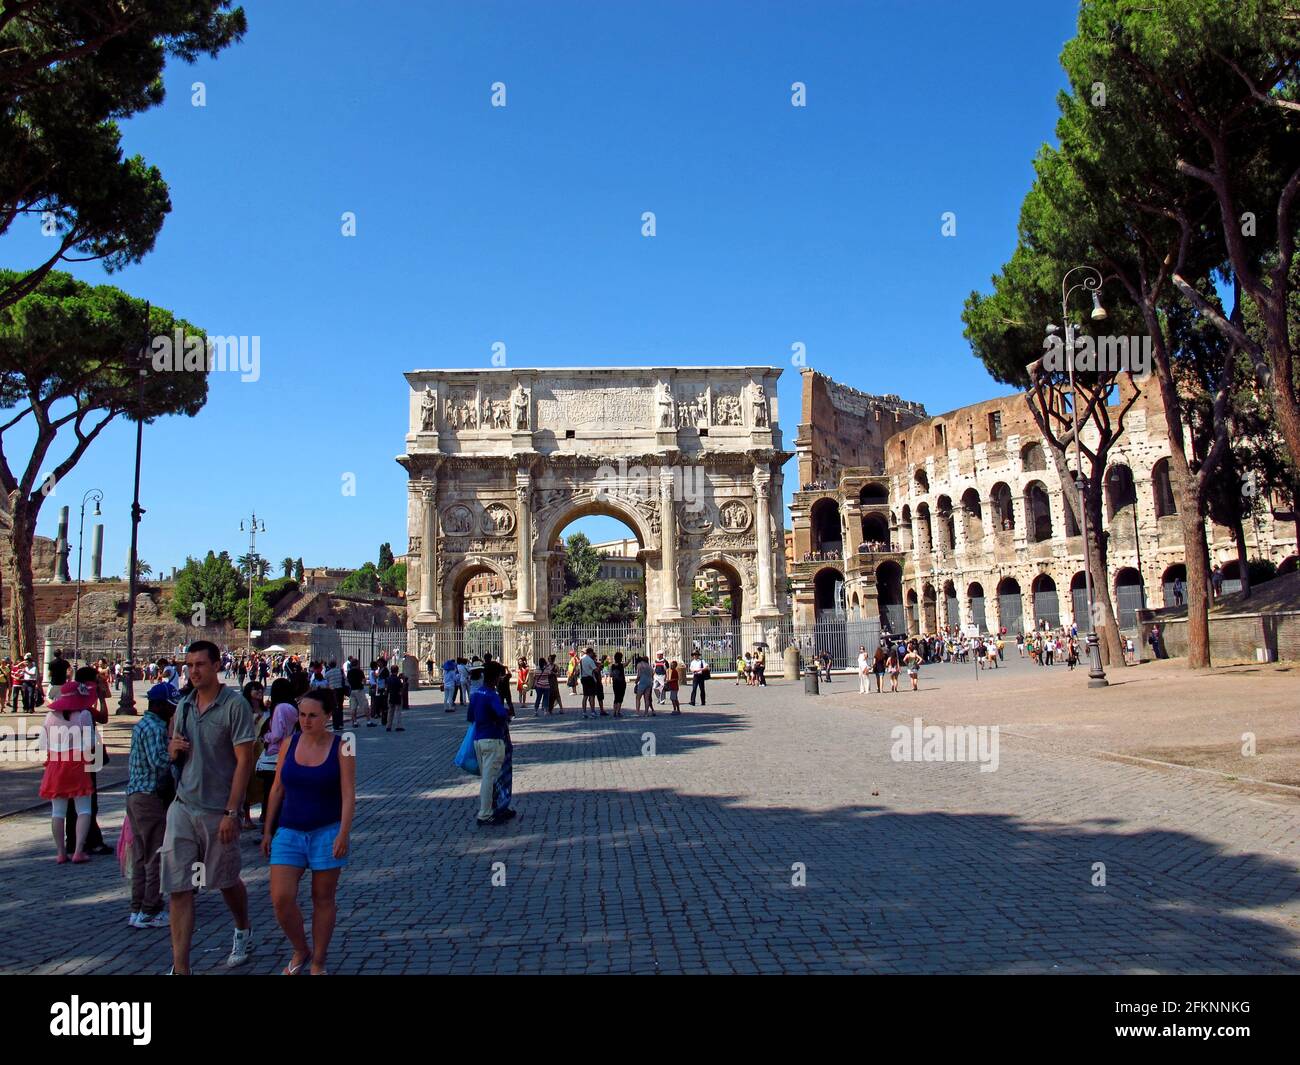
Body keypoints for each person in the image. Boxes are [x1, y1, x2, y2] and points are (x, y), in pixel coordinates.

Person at [161, 640, 256, 975]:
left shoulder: (235, 706)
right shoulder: (184, 706)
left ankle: (242, 926)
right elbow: (177, 754)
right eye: (189, 665)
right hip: (183, 806)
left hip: (219, 808)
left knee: (225, 880)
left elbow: (245, 761)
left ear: (217, 666)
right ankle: (181, 967)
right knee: (179, 885)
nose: (193, 671)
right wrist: (173, 748)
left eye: (200, 664)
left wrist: (233, 812)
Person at [263, 690, 356, 976]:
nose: (306, 720)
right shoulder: (289, 743)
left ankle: (318, 960)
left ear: (328, 716)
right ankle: (300, 947)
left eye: (313, 715)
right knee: (281, 897)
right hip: (289, 830)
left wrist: (343, 833)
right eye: (302, 714)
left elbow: (348, 793)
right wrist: (268, 830)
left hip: (326, 832)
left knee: (322, 898)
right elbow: (277, 788)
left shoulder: (344, 746)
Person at [126, 682, 179, 928]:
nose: (172, 711)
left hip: (134, 795)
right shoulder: (155, 727)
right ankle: (150, 908)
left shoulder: (142, 725)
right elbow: (159, 762)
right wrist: (175, 750)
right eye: (170, 707)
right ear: (158, 705)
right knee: (155, 854)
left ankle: (137, 907)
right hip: (149, 796)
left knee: (139, 854)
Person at [39, 680, 98, 863]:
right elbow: (91, 743)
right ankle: (79, 850)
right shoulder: (83, 715)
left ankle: (60, 852)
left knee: (58, 811)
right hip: (78, 762)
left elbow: (43, 744)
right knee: (84, 809)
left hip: (56, 762)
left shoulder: (50, 717)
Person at [468, 666, 510, 827]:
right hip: (492, 739)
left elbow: (471, 716)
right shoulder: (492, 695)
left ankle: (492, 808)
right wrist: (506, 714)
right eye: (499, 677)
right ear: (495, 679)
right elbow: (501, 714)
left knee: (488, 777)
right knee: (489, 778)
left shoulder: (476, 694)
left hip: (478, 740)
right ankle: (485, 814)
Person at [256, 679, 298, 834]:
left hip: (275, 754)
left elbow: (277, 734)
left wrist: (265, 737)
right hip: (289, 752)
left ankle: (270, 828)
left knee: (271, 793)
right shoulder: (293, 707)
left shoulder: (280, 708)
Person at [578, 647, 600, 718]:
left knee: (585, 696)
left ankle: (584, 712)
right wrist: (599, 667)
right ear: (590, 653)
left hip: (583, 678)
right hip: (590, 678)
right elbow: (596, 670)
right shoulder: (590, 660)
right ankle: (593, 712)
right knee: (591, 696)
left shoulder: (582, 659)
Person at [346, 659, 368, 726]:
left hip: (352, 690)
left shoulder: (349, 672)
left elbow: (347, 681)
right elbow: (364, 680)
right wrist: (363, 684)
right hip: (359, 689)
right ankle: (368, 721)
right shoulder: (360, 671)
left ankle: (354, 722)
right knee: (365, 705)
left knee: (353, 707)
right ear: (357, 664)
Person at [610, 652, 627, 717]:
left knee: (616, 697)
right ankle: (618, 711)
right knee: (620, 697)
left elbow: (611, 674)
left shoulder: (612, 666)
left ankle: (614, 712)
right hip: (622, 683)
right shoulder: (622, 665)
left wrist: (615, 674)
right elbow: (627, 663)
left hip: (615, 683)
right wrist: (631, 658)